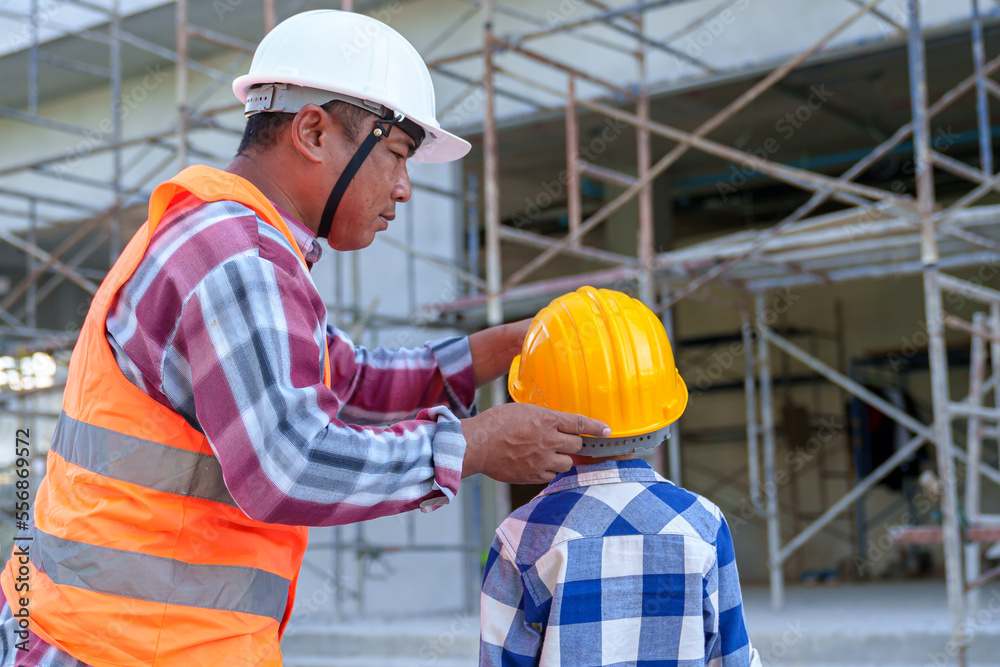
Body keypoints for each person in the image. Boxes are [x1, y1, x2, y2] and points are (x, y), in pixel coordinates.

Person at [0, 11, 610, 667]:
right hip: (116, 642)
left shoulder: (247, 248)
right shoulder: (232, 256)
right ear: (313, 131)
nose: (404, 188)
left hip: (117, 632)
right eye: (398, 156)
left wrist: (510, 343)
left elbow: (350, 383)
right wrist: (480, 443)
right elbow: (289, 465)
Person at [480, 287, 762, 667]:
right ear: (662, 407)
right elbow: (733, 660)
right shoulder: (704, 523)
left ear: (534, 413)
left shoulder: (521, 538)